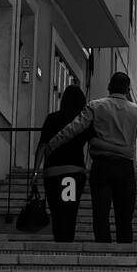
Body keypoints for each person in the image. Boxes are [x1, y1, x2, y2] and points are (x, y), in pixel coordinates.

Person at [40, 72, 137, 243]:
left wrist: (52, 144)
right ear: (127, 90)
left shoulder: (95, 106)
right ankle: (124, 255)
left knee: (101, 214)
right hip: (125, 168)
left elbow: (73, 129)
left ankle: (103, 251)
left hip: (102, 166)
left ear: (109, 87)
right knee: (124, 216)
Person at [36, 84, 92, 243]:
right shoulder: (82, 121)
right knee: (70, 209)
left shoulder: (52, 118)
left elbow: (42, 145)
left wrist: (35, 172)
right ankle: (67, 241)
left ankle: (58, 239)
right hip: (73, 173)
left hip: (52, 173)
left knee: (56, 210)